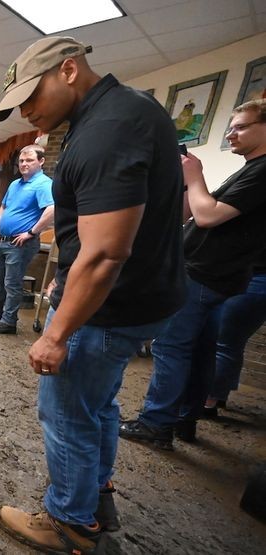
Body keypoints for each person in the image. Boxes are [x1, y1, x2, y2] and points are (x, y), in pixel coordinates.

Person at [0, 37, 186, 554]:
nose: (27, 111)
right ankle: (98, 494)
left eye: (32, 96)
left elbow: (105, 255)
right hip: (142, 299)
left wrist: (56, 333)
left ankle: (70, 524)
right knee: (98, 405)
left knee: (68, 412)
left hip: (110, 306)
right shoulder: (130, 110)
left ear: (70, 70)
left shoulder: (106, 130)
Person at [120, 98, 266, 448]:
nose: (231, 133)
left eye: (240, 126)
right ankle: (184, 418)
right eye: (230, 126)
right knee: (201, 350)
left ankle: (156, 424)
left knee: (171, 348)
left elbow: (208, 215)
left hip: (205, 274)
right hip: (218, 277)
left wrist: (194, 175)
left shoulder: (262, 171)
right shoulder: (250, 168)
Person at [0, 144, 54, 334]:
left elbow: (51, 209)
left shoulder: (43, 184)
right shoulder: (15, 184)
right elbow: (3, 207)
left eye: (29, 160)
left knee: (12, 283)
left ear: (41, 162)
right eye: (22, 160)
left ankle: (8, 321)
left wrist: (31, 232)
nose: (24, 164)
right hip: (3, 240)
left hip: (21, 243)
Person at [204, 259, 266, 414]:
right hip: (258, 283)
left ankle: (208, 402)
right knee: (233, 344)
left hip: (251, 278)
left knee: (223, 346)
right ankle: (219, 396)